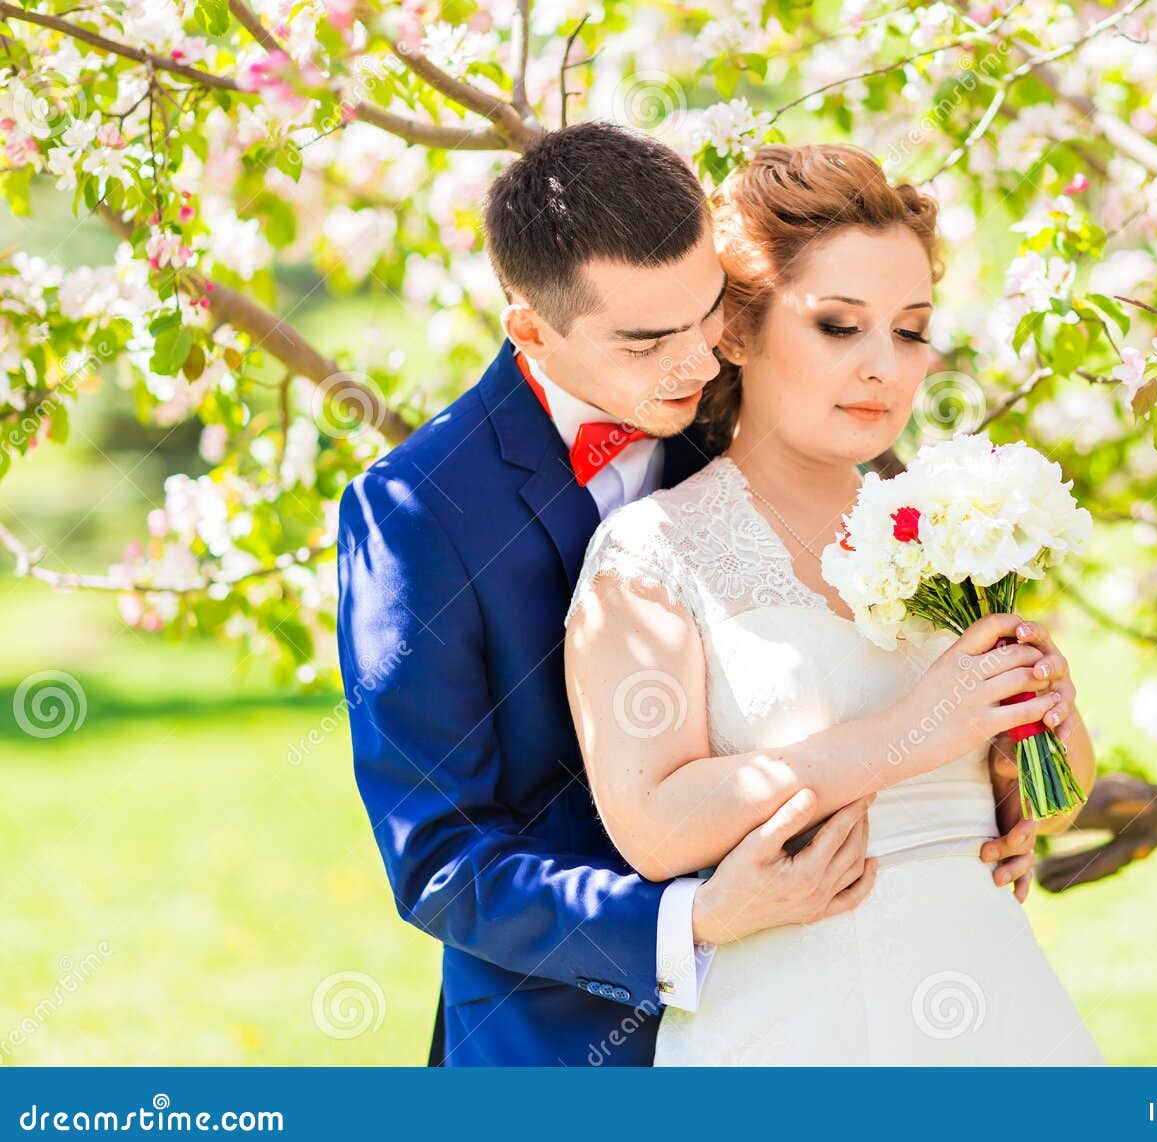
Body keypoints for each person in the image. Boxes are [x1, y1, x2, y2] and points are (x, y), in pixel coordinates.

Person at [336, 123, 881, 1066]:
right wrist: (691, 920)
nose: (701, 363)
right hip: (561, 1043)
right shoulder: (413, 510)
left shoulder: (757, 406)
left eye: (707, 313)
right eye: (647, 342)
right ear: (530, 330)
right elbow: (439, 859)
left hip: (819, 1002)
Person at [564, 143, 1108, 1064]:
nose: (884, 367)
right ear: (736, 331)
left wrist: (1042, 716)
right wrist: (915, 729)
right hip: (790, 1028)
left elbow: (1046, 809)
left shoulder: (950, 531)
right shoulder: (651, 550)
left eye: (910, 330)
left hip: (999, 1013)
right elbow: (654, 827)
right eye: (839, 326)